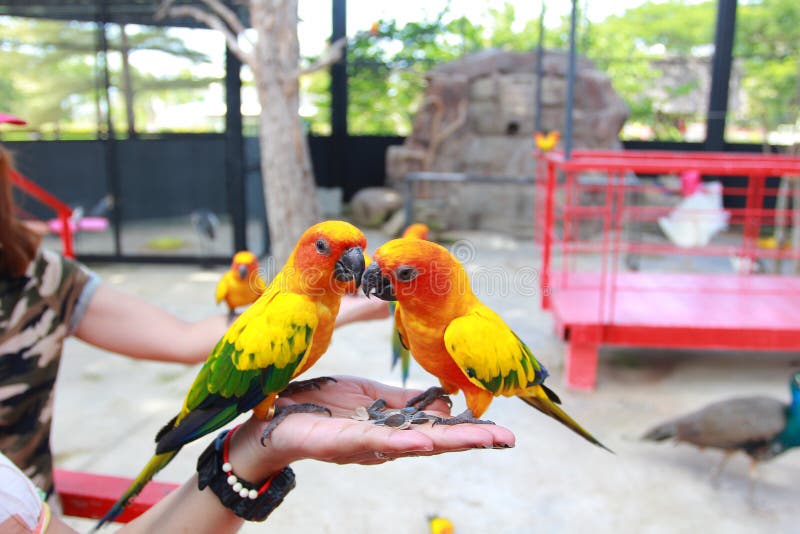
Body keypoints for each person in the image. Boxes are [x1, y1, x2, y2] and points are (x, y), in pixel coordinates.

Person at [0, 117, 515, 531]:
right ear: (303, 253)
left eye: (353, 250)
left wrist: (375, 309)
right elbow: (242, 367)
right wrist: (265, 415)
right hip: (228, 393)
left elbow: (186, 340)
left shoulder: (46, 276)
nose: (348, 258)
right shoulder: (292, 311)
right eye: (325, 247)